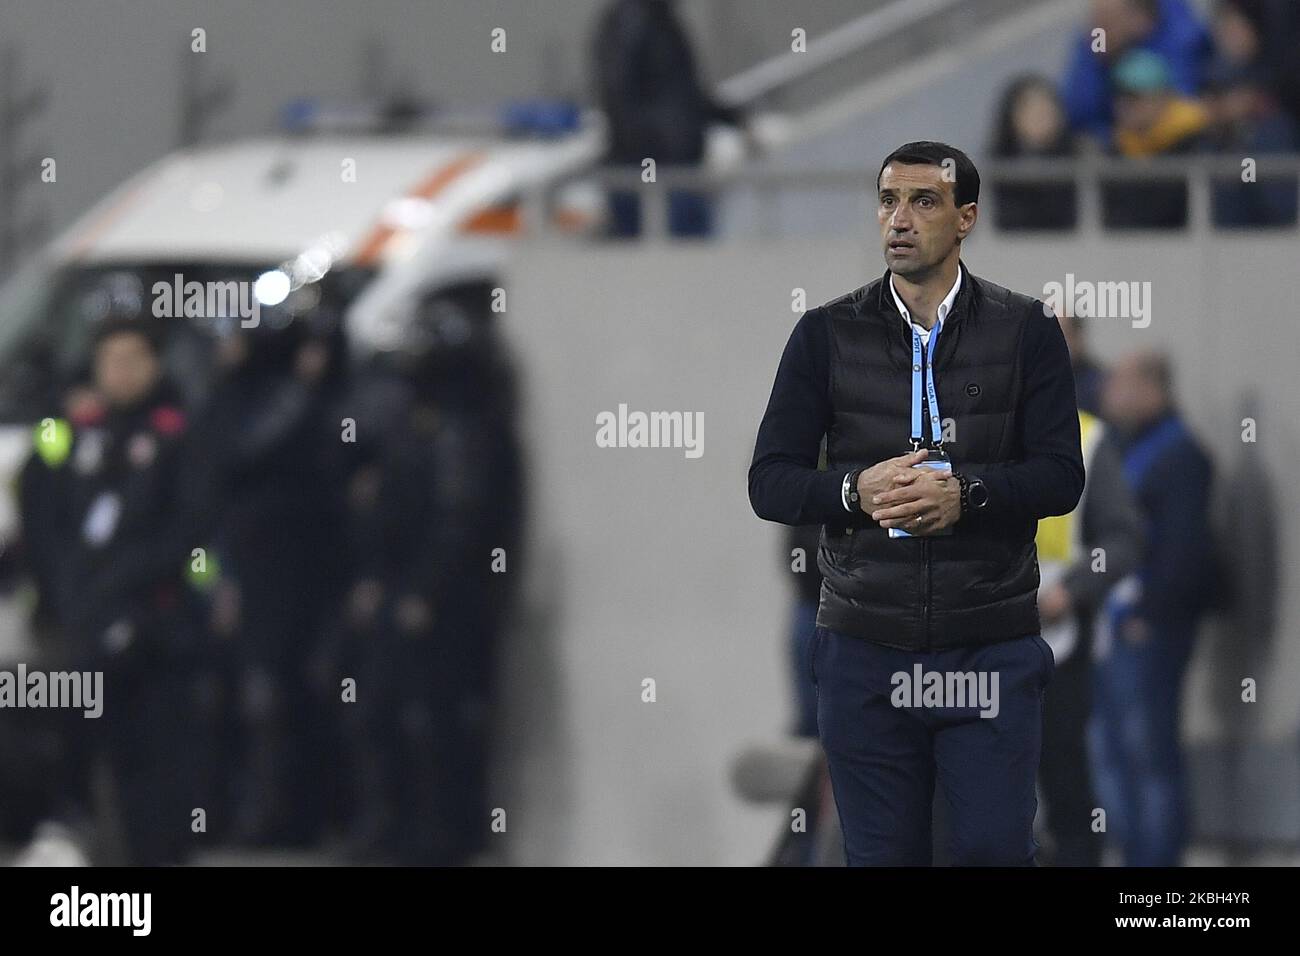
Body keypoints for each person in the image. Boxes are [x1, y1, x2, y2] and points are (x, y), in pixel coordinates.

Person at [749, 141, 1085, 866]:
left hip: (988, 645)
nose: (899, 219)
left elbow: (1061, 476)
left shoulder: (1027, 331)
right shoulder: (824, 335)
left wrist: (967, 495)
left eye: (923, 201)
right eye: (887, 201)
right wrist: (851, 490)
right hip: (865, 648)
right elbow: (769, 481)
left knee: (992, 851)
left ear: (966, 217)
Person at [31, 318, 214, 865]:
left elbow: (189, 529)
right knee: (81, 747)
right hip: (89, 622)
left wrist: (131, 590)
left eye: (133, 359)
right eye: (109, 359)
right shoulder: (77, 431)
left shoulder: (176, 431)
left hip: (155, 628)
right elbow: (43, 502)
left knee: (155, 762)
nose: (120, 372)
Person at [1089, 352, 1216, 867]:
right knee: (1109, 753)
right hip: (1111, 627)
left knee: (1149, 755)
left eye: (1120, 383)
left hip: (1150, 631)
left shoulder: (1181, 455)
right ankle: (1133, 857)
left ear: (1151, 388)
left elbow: (1182, 549)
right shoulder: (1125, 448)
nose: (1108, 394)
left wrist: (1150, 617)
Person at [1034, 402, 1145, 866]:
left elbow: (1123, 537)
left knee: (1066, 784)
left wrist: (1072, 590)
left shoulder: (1088, 438)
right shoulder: (965, 423)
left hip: (1059, 643)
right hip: (978, 644)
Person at [591, 0, 748, 237]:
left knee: (687, 260)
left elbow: (685, 96)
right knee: (674, 260)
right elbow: (619, 96)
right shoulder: (634, 22)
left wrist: (735, 119)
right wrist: (652, 151)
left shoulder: (662, 21)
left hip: (674, 168)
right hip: (657, 172)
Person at [1062, 0, 1211, 145]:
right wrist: (1099, 58)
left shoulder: (1178, 34)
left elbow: (1184, 96)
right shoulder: (1098, 39)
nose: (1102, 29)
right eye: (1099, 21)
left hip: (1175, 140)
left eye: (1110, 20)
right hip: (1119, 144)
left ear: (1139, 18)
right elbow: (1079, 112)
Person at [1102, 50, 1209, 229]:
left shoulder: (1196, 144)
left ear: (1163, 98)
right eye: (1118, 97)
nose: (1123, 106)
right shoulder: (1117, 148)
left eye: (1134, 98)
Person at [1201, 60, 1299, 227]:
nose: (1217, 103)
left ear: (1249, 93)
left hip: (1266, 238)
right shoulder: (1214, 136)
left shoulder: (1271, 131)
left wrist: (1245, 165)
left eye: (1224, 94)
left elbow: (1278, 202)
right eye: (1213, 95)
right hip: (1219, 239)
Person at [989, 75, 1080, 231]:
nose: (1041, 115)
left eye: (1047, 107)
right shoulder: (994, 169)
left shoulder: (1080, 161)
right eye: (1030, 108)